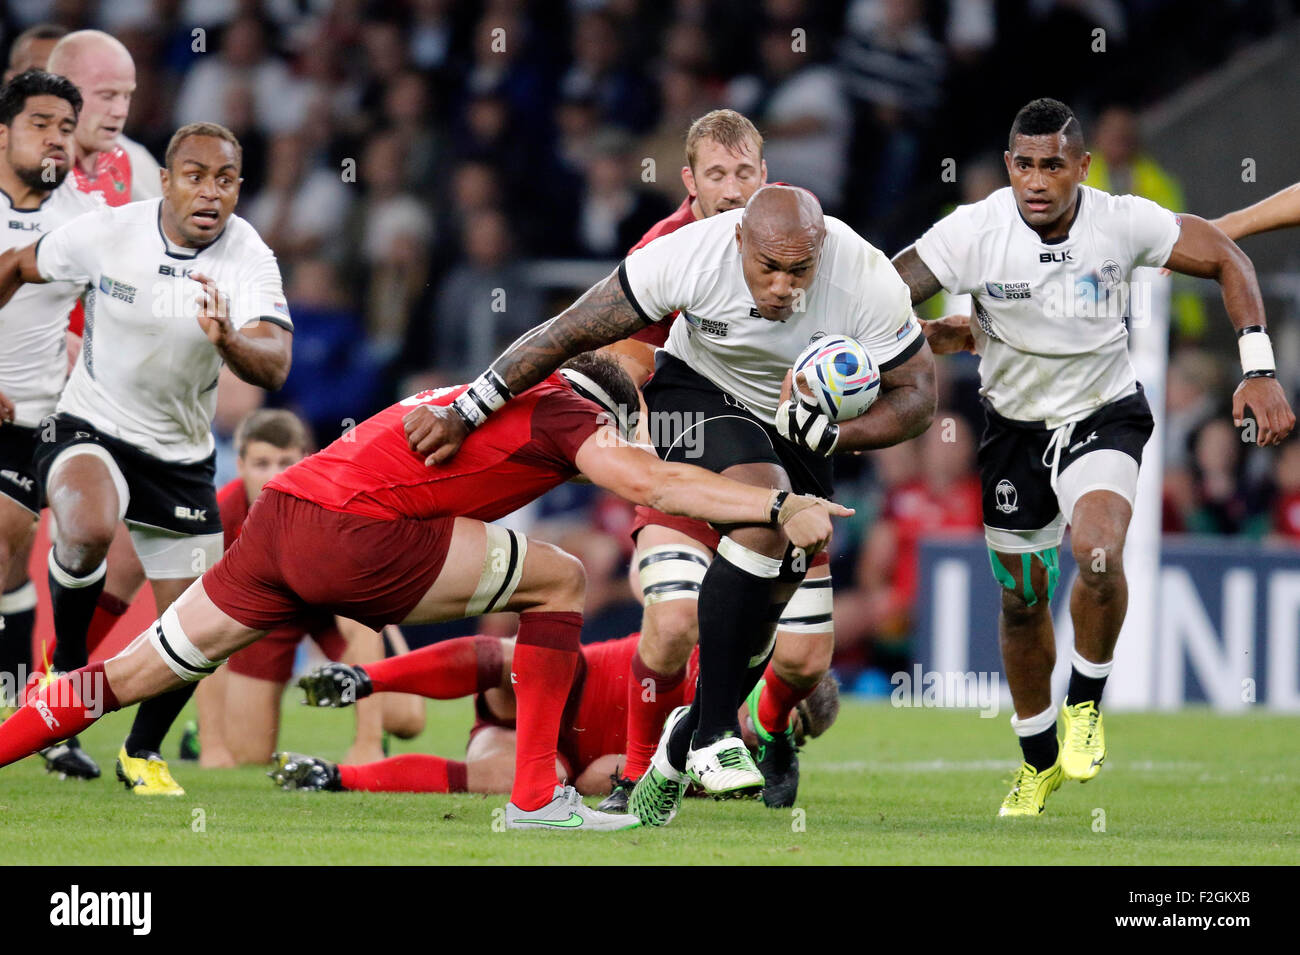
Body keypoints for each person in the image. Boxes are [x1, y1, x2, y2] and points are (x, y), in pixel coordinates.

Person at [0, 350, 850, 832]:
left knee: (127, 676)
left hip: (282, 517)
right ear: (621, 409)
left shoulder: (497, 388)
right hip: (356, 535)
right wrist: (778, 503)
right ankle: (533, 800)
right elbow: (654, 482)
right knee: (562, 578)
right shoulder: (571, 408)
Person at [402, 183, 936, 828]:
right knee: (765, 511)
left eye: (800, 270)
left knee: (773, 603)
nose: (784, 287)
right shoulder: (688, 254)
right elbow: (567, 330)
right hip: (700, 394)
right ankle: (711, 734)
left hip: (801, 422)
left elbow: (919, 396)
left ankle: (683, 742)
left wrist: (837, 435)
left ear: (822, 249)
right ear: (738, 237)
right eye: (768, 267)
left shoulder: (865, 274)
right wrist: (468, 408)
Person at [891, 97, 1295, 817]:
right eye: (1024, 164)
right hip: (1012, 427)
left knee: (1099, 551)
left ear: (1083, 166)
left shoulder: (1123, 219)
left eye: (1054, 165)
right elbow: (891, 285)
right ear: (1010, 166)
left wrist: (1258, 368)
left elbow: (1227, 256)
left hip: (1100, 412)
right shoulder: (974, 230)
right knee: (1020, 603)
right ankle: (1038, 759)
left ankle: (1084, 700)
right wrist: (860, 336)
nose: (1038, 180)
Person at [0, 121, 293, 794]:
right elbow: (17, 264)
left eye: (225, 180)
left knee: (203, 630)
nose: (210, 192)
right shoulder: (110, 232)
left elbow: (274, 362)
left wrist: (229, 342)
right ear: (165, 181)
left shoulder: (248, 257)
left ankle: (142, 749)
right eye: (194, 175)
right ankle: (66, 663)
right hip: (90, 424)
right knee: (87, 525)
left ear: (239, 188)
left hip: (180, 458)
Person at [596, 110, 841, 813]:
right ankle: (641, 774)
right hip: (692, 459)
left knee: (803, 659)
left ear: (764, 175)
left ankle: (762, 731)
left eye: (744, 174)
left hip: (784, 467)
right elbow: (620, 351)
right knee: (673, 623)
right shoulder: (664, 250)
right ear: (689, 181)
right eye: (716, 175)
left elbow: (858, 312)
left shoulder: (799, 234)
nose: (733, 190)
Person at [271, 631, 840, 798]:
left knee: (523, 782)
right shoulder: (720, 657)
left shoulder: (718, 770)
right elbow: (662, 637)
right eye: (769, 716)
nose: (755, 731)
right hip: (562, 687)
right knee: (527, 662)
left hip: (560, 754)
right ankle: (363, 679)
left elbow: (598, 777)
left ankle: (330, 777)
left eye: (780, 736)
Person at [193, 409, 424, 768]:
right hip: (265, 618)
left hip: (331, 609)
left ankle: (372, 732)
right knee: (246, 756)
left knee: (406, 719)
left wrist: (367, 744)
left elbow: (357, 622)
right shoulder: (222, 517)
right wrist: (211, 745)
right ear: (239, 465)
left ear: (305, 460)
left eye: (284, 462)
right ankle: (197, 734)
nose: (273, 474)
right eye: (261, 463)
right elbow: (204, 633)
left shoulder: (335, 506)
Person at [0, 70, 105, 718]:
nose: (56, 141)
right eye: (41, 125)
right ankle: (22, 698)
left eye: (67, 128)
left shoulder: (87, 221)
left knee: (6, 537)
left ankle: (23, 703)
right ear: (3, 134)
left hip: (31, 415)